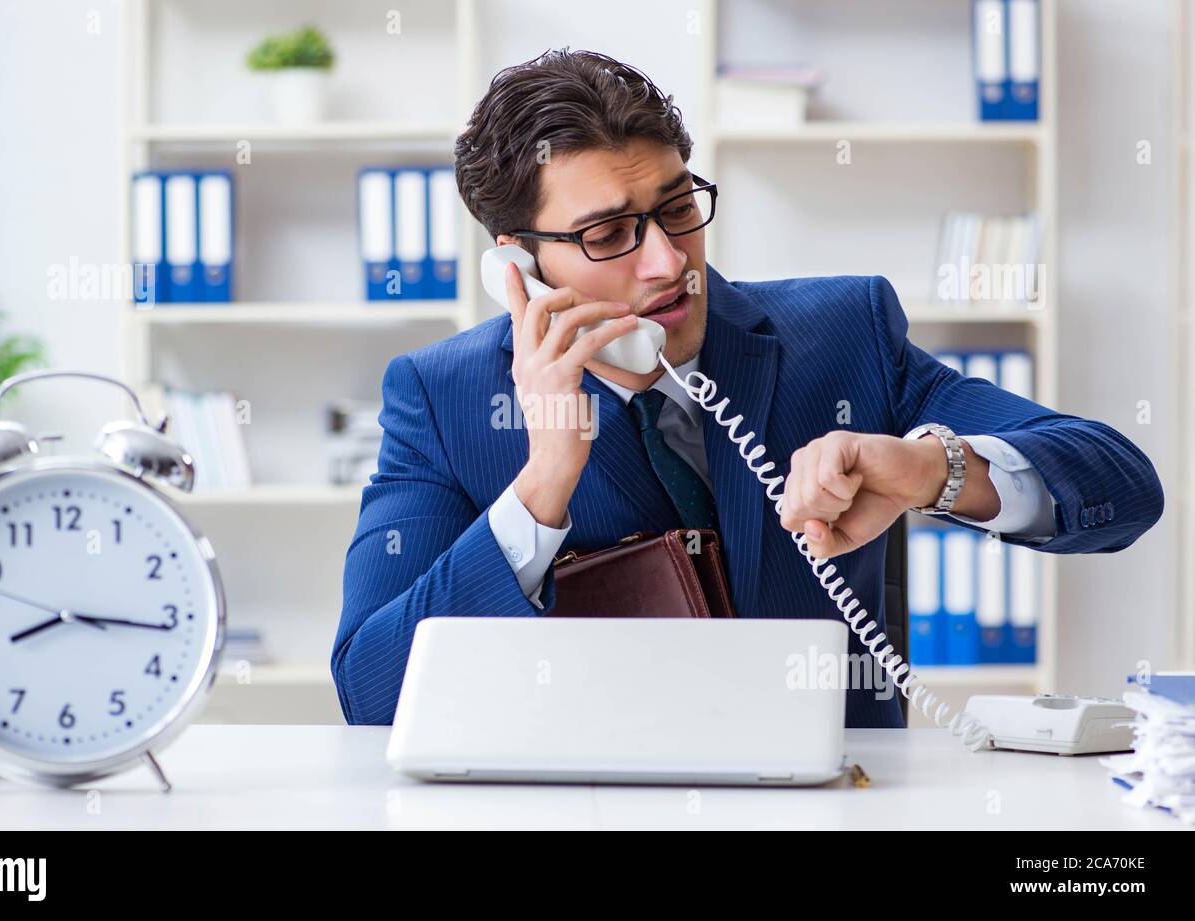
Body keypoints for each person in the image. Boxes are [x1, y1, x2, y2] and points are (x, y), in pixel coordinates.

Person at [332, 49, 1163, 727]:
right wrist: (543, 484)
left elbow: (1121, 485)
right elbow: (368, 692)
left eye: (677, 206)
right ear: (519, 264)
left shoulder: (844, 332)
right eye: (609, 233)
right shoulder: (439, 398)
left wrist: (934, 469)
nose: (666, 263)